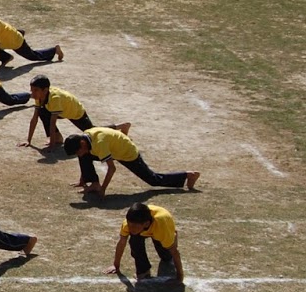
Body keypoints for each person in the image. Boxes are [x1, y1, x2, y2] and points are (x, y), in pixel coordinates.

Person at [63, 128, 200, 197]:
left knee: (152, 179)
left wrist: (103, 189)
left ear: (82, 143)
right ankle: (93, 183)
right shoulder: (86, 138)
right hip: (115, 147)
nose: (78, 154)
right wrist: (83, 180)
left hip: (127, 153)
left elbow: (112, 169)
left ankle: (187, 175)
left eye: (78, 150)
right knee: (84, 156)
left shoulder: (99, 144)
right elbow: (82, 154)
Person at [23, 76, 128, 149]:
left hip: (75, 112)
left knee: (93, 132)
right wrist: (29, 141)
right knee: (42, 112)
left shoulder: (54, 98)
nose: (32, 93)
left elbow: (52, 122)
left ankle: (121, 126)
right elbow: (34, 118)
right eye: (32, 90)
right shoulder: (39, 96)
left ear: (45, 90)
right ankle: (58, 137)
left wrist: (52, 145)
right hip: (61, 111)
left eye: (35, 90)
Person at [108, 201, 183, 281]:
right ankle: (144, 270)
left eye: (135, 226)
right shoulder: (128, 224)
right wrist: (116, 265)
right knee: (134, 241)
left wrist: (180, 274)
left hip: (162, 225)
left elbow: (174, 251)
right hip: (144, 229)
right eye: (130, 225)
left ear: (146, 224)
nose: (131, 229)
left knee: (167, 257)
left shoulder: (161, 226)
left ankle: (173, 235)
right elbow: (122, 243)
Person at [0, 2, 62, 66]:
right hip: (2, 40)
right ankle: (6, 58)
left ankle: (54, 50)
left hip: (15, 41)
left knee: (33, 56)